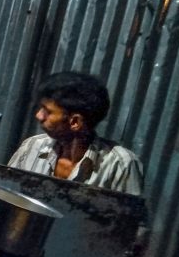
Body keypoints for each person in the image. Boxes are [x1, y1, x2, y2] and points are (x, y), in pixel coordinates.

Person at [8, 71, 143, 195]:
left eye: (47, 111)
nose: (39, 116)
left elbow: (126, 219)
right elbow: (7, 193)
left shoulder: (120, 165)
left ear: (75, 122)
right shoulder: (32, 146)